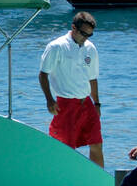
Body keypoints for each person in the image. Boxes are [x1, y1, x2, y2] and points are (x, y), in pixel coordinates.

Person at [38, 12, 103, 167]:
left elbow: (92, 78)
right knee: (66, 148)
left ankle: (99, 182)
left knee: (96, 144)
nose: (86, 37)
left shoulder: (90, 48)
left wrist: (97, 103)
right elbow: (43, 75)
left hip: (86, 103)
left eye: (89, 35)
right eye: (83, 33)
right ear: (73, 27)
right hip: (65, 104)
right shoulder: (56, 46)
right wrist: (49, 100)